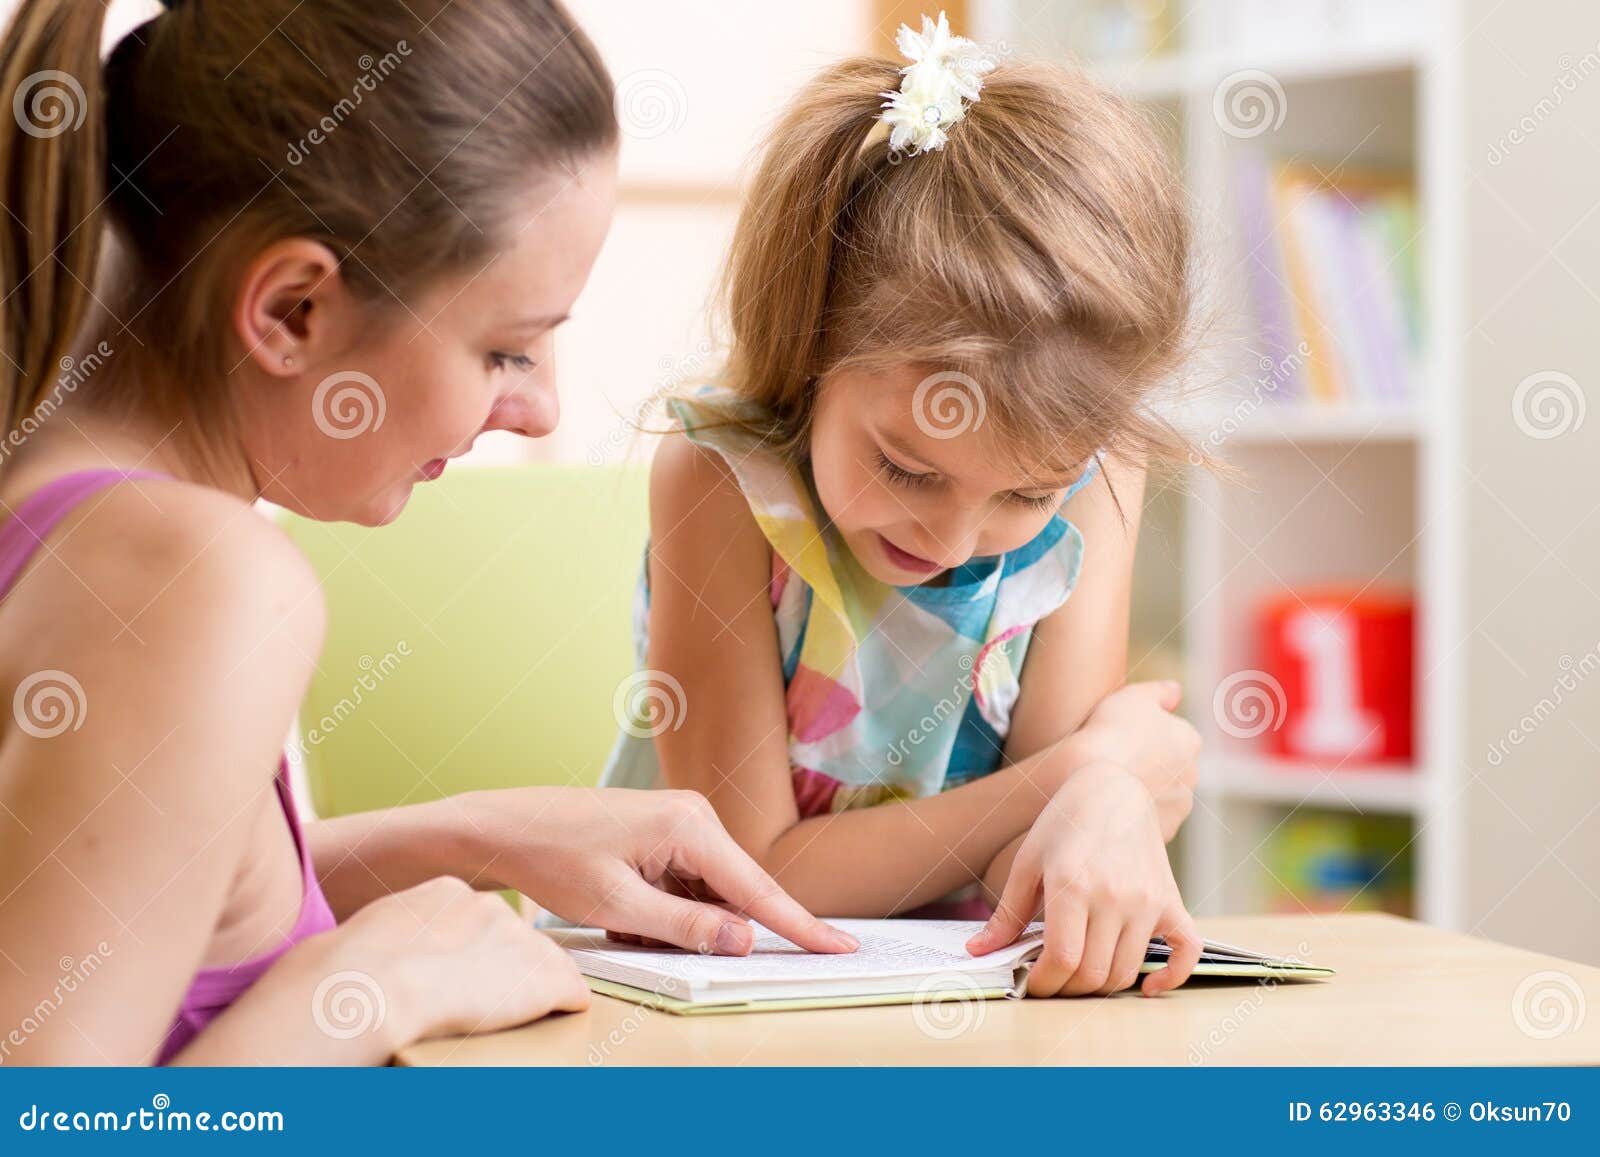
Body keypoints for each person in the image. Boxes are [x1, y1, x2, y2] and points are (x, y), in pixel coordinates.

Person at [0, 0, 854, 1066]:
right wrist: (362, 989)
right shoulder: (197, 582)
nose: (539, 408)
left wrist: (469, 835)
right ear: (292, 312)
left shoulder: (67, 509)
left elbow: (132, 910)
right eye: (505, 349)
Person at [602, 14, 1204, 999]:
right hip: (716, 990)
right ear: (809, 347)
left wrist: (1100, 802)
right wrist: (1092, 771)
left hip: (965, 996)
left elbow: (1037, 864)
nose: (954, 538)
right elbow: (752, 874)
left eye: (1025, 493)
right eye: (909, 468)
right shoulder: (716, 481)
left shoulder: (1103, 471)